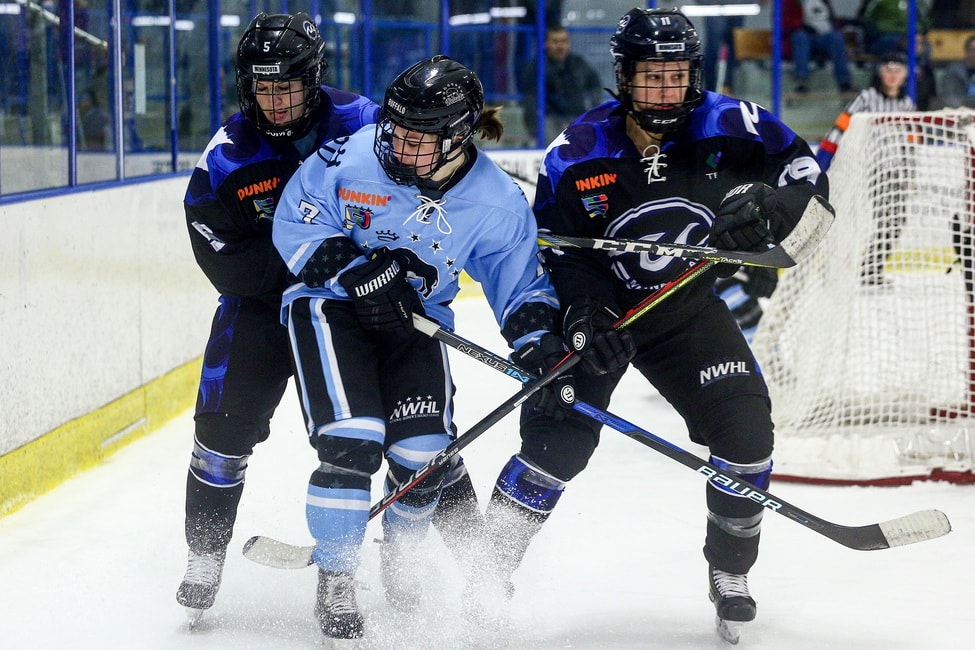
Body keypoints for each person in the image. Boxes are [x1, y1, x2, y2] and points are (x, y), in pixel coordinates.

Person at [475, 8, 830, 645]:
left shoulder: (734, 124)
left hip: (686, 311)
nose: (665, 92)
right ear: (623, 77)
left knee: (746, 433)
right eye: (650, 78)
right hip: (603, 318)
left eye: (677, 76)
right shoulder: (579, 151)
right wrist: (583, 316)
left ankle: (730, 574)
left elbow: (804, 173)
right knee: (556, 446)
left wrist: (774, 207)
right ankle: (482, 571)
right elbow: (555, 249)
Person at [176, 13, 482, 620]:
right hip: (264, 311)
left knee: (419, 433)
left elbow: (426, 188)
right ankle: (204, 556)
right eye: (264, 87)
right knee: (221, 430)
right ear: (245, 85)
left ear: (314, 77)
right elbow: (220, 255)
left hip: (360, 307)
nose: (277, 100)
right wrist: (316, 267)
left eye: (288, 85)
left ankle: (482, 560)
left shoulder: (367, 122)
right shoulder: (228, 154)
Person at [271, 55, 569, 640]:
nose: (399, 148)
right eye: (396, 133)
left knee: (424, 455)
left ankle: (399, 555)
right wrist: (357, 273)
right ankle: (335, 575)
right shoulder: (352, 157)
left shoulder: (497, 202)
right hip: (331, 309)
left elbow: (522, 286)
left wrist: (539, 348)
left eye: (418, 140)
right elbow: (296, 220)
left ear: (459, 138)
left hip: (418, 322)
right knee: (352, 442)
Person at [817, 51, 916, 284]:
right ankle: (866, 270)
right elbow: (840, 126)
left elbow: (910, 142)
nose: (892, 75)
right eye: (888, 69)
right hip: (872, 171)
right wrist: (822, 160)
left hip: (896, 172)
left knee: (895, 222)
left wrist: (911, 174)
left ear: (905, 75)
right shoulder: (867, 98)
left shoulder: (907, 104)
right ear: (880, 72)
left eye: (898, 70)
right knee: (887, 220)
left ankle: (872, 268)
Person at [518, 25, 603, 145]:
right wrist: (533, 127)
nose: (560, 46)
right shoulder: (535, 67)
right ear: (546, 44)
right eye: (555, 41)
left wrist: (594, 105)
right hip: (550, 118)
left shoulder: (578, 64)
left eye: (563, 41)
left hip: (576, 116)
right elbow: (530, 99)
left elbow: (594, 83)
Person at [783, 0, 854, 95]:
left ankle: (844, 82)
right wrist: (802, 27)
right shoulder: (793, 2)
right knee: (800, 37)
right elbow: (785, 22)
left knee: (837, 37)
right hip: (805, 38)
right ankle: (801, 81)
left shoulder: (824, 2)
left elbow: (831, 20)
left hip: (825, 37)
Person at [856, 0, 929, 57]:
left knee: (925, 45)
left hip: (910, 36)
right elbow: (864, 20)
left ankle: (921, 73)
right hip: (881, 39)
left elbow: (925, 22)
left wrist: (917, 33)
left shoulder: (917, 2)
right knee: (902, 43)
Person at [941, 34, 975, 109]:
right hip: (961, 113)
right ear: (966, 51)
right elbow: (950, 97)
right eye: (973, 50)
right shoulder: (954, 71)